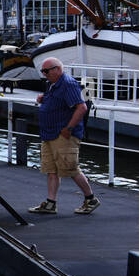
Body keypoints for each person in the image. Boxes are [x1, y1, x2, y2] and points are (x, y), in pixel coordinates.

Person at [29, 57, 99, 215]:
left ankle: (91, 199)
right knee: (51, 169)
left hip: (63, 134)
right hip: (49, 133)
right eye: (43, 71)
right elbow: (59, 102)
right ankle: (50, 203)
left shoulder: (68, 84)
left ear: (57, 69)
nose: (44, 74)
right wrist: (43, 99)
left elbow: (81, 108)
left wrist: (69, 128)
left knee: (70, 168)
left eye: (46, 71)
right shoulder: (53, 84)